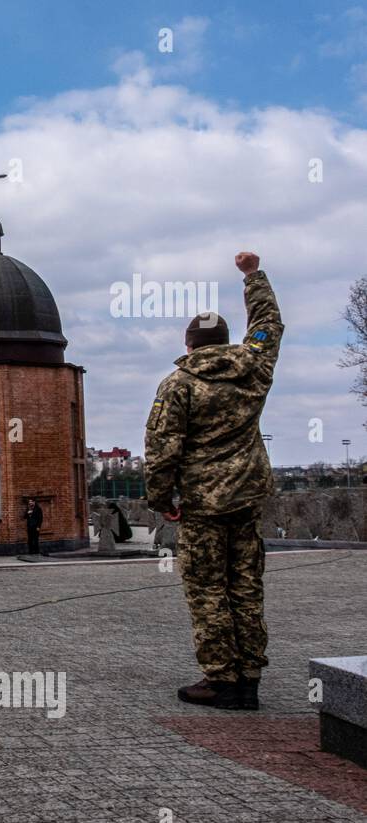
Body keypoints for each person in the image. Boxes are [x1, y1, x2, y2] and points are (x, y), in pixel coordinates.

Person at [146, 251, 282, 711]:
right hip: (247, 499)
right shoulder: (255, 369)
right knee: (246, 585)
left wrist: (162, 499)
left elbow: (162, 450)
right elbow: (268, 325)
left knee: (208, 589)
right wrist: (253, 276)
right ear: (225, 342)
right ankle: (250, 679)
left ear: (189, 346)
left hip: (203, 505)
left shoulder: (178, 385)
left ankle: (221, 679)